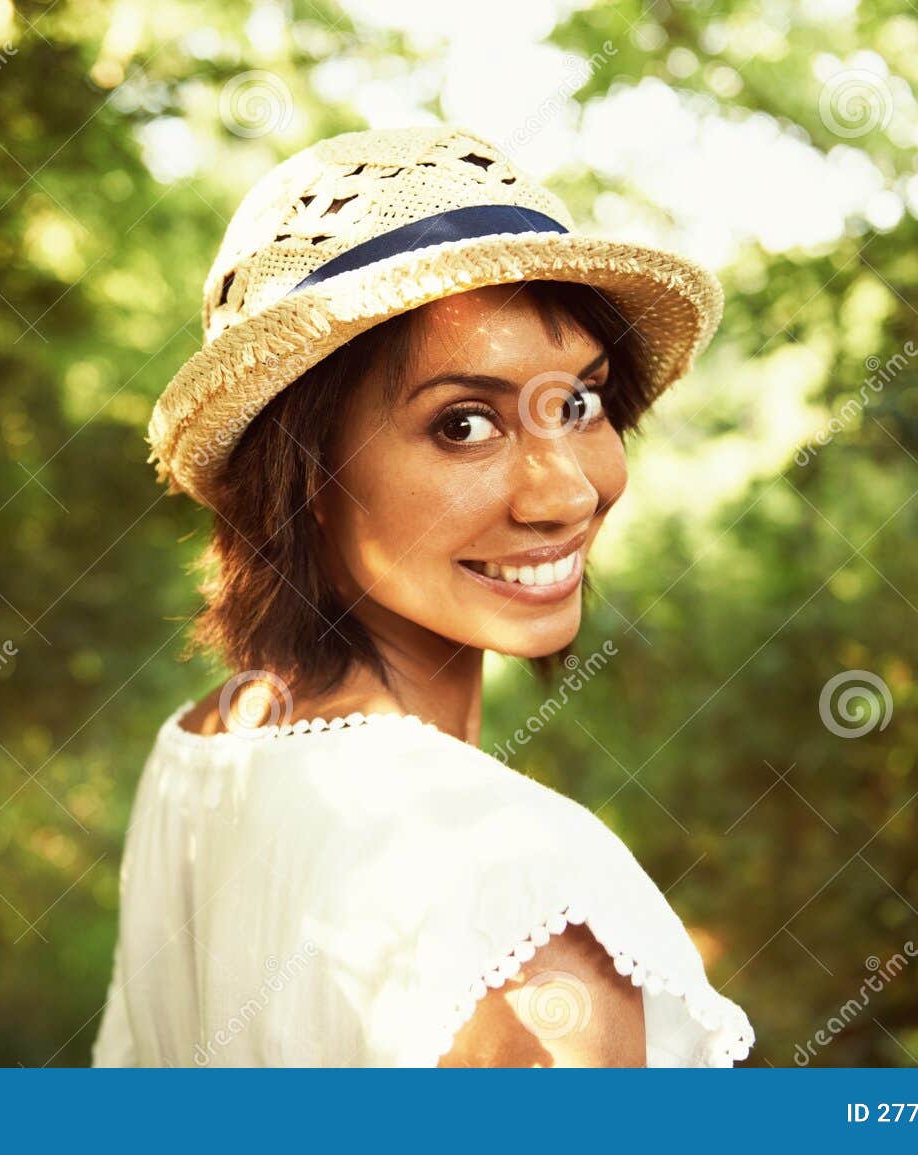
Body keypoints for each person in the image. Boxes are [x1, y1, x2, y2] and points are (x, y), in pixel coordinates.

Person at [92, 125, 755, 1067]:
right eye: (464, 423)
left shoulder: (207, 748)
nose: (567, 490)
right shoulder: (527, 896)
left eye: (579, 402)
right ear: (300, 474)